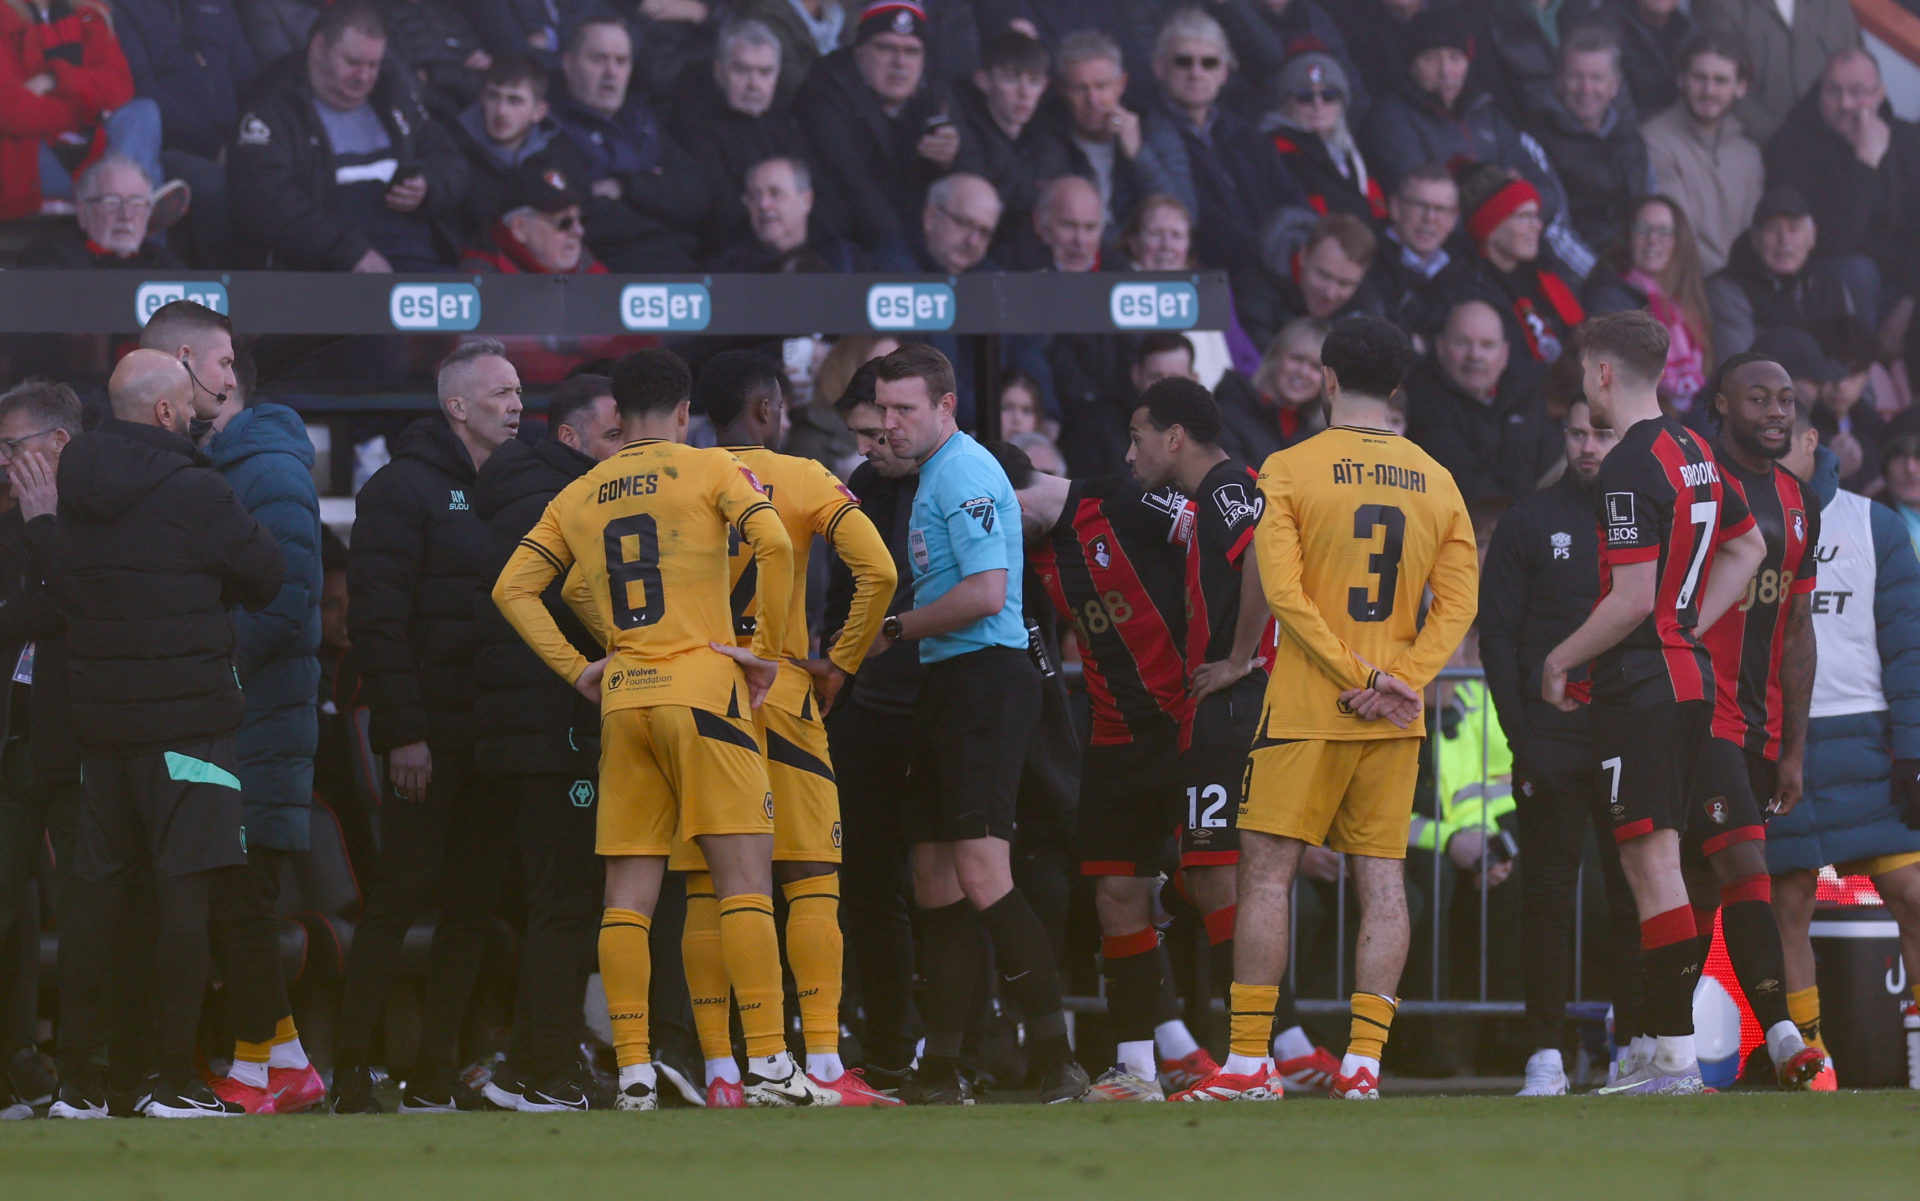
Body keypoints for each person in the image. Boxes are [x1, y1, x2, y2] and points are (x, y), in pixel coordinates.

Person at [494, 347, 834, 1111]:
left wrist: (578, 665)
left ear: (617, 414)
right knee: (745, 880)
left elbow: (513, 585)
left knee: (627, 895)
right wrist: (759, 645)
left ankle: (637, 1068)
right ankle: (774, 1065)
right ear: (685, 411)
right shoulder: (710, 467)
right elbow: (775, 541)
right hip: (705, 689)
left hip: (626, 698)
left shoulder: (582, 490)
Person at [1174, 316, 1476, 1101]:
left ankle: (1247, 1062)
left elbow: (1282, 593)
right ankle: (1365, 1064)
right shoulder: (1437, 479)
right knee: (1383, 883)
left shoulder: (1289, 468)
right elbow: (1461, 600)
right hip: (1395, 717)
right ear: (1399, 387)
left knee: (1266, 877)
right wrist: (1403, 678)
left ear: (1331, 379)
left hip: (1311, 706)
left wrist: (1357, 670)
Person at [50, 350, 285, 1119]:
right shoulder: (195, 487)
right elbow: (267, 573)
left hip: (103, 731)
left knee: (97, 900)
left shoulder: (70, 485)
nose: (195, 413)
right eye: (187, 402)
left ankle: (81, 1081)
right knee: (184, 899)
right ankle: (165, 1080)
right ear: (163, 412)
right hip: (188, 726)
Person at [1539, 310, 1768, 1095]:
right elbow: (1750, 544)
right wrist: (1690, 623)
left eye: (1583, 371)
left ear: (1603, 372)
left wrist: (1561, 656)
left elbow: (1634, 598)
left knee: (1652, 867)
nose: (1582, 386)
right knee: (1663, 865)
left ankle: (1670, 1057)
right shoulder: (1693, 448)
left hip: (1643, 686)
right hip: (1688, 678)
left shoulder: (1631, 464)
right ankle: (1663, 1052)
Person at [665, 352, 898, 1108]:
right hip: (785, 688)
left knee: (710, 884)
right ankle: (824, 1065)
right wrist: (842, 661)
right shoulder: (800, 474)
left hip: (699, 693)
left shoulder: (677, 477)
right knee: (809, 876)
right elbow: (879, 572)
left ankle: (726, 1074)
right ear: (765, 410)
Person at [869, 343, 1090, 1104]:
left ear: (945, 406)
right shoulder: (938, 471)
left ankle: (1057, 1057)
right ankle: (942, 1069)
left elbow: (989, 592)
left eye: (904, 409)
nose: (889, 424)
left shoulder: (961, 470)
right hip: (950, 679)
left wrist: (893, 628)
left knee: (981, 869)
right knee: (932, 876)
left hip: (984, 681)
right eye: (883, 409)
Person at [1123, 376, 1341, 1092]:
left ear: (1174, 436)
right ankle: (1281, 1045)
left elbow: (1261, 563)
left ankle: (1266, 1050)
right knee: (1214, 872)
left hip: (1234, 705)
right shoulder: (1221, 488)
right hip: (1238, 706)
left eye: (1138, 435)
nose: (1132, 453)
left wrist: (1241, 657)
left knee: (1219, 875)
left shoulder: (1225, 487)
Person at [330, 340, 520, 1113]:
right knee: (400, 894)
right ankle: (349, 1066)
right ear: (458, 406)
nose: (516, 404)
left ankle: (438, 1065)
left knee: (475, 901)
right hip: (427, 737)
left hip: (496, 734)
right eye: (501, 393)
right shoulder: (397, 489)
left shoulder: (517, 490)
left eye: (518, 391)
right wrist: (404, 730)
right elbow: (377, 621)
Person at [1010, 447, 1218, 1102]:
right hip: (1114, 737)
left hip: (1188, 721)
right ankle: (1137, 1070)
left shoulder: (1122, 494)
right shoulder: (1026, 555)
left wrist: (1236, 657)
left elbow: (1216, 538)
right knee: (1113, 899)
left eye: (989, 516)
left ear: (1016, 493)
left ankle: (1253, 1058)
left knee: (1215, 874)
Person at [1479, 395, 1648, 1094]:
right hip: (1551, 738)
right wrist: (1523, 735)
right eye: (1577, 432)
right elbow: (1496, 636)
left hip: (1629, 732)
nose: (1588, 445)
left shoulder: (1647, 517)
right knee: (1545, 897)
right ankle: (1543, 1053)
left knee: (1632, 894)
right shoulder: (1531, 519)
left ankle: (1637, 1045)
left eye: (1601, 432)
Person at [467, 374, 621, 1113]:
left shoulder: (521, 489)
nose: (624, 449)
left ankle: (534, 1060)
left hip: (520, 729)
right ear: (571, 438)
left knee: (552, 902)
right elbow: (565, 607)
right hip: (555, 727)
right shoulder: (559, 503)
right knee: (564, 902)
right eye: (613, 435)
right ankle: (541, 1067)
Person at [1683, 353, 1830, 1090]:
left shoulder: (1800, 502)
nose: (1776, 411)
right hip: (1690, 715)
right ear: (1721, 403)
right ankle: (1782, 1039)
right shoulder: (1694, 484)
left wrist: (1794, 747)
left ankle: (1661, 1042)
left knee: (1695, 886)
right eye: (1758, 397)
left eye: (1787, 398)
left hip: (1758, 730)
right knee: (1743, 868)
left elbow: (1799, 629)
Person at [1767, 407, 1920, 1090]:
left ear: (1813, 440)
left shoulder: (1875, 522)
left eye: (1791, 432)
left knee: (1913, 894)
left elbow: (1909, 649)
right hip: (1777, 738)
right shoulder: (1740, 515)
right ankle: (1812, 1067)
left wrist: (1914, 751)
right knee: (1788, 902)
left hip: (1867, 737)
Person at [198, 343, 327, 1115]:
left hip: (257, 725)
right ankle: (280, 1065)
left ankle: (262, 1072)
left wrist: (199, 659)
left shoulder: (269, 471)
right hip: (244, 723)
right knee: (236, 903)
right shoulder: (234, 468)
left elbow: (286, 603)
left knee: (242, 904)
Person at [820, 365, 924, 1090]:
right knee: (872, 883)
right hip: (871, 704)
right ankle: (892, 1050)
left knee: (960, 881)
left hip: (943, 697)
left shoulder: (957, 476)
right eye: (861, 429)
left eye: (882, 423)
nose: (872, 440)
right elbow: (842, 594)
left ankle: (963, 1047)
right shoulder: (863, 482)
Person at [227, 0, 468, 271]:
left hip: (421, 263)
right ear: (319, 48)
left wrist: (428, 186)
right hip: (323, 274)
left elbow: (451, 159)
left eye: (373, 64)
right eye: (353, 62)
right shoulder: (272, 100)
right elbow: (264, 199)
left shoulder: (393, 92)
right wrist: (349, 252)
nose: (364, 76)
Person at [1360, 7, 1591, 280]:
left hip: (1511, 253)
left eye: (1455, 58)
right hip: (1447, 264)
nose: (1446, 71)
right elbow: (1421, 205)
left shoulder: (1485, 111)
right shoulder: (1392, 120)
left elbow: (1546, 192)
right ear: (1412, 63)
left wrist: (1512, 210)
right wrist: (1506, 204)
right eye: (1432, 58)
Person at [0, 381, 85, 1114]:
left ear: (58, 443)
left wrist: (45, 526)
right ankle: (18, 1062)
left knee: (95, 903)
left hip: (85, 743)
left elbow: (81, 603)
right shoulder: (8, 524)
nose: (3, 461)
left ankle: (93, 1069)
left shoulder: (101, 507)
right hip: (14, 745)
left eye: (12, 445)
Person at [1763, 48, 1920, 333]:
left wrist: (1910, 301)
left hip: (1905, 286)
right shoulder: (1789, 147)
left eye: (1857, 91)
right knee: (1859, 272)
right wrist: (1866, 163)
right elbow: (1831, 243)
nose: (1845, 104)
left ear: (1880, 93)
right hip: (1833, 282)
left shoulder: (1908, 140)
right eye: (1833, 92)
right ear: (1819, 91)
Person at [1141, 7, 1303, 271]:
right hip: (1207, 282)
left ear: (1224, 73)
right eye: (1183, 61)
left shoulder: (1250, 136)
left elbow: (1293, 203)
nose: (1196, 73)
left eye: (1209, 62)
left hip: (1277, 275)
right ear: (1159, 67)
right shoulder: (1147, 136)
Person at [794, 2, 959, 259]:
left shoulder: (935, 93)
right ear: (859, 52)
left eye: (911, 52)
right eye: (885, 48)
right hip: (845, 244)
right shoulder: (824, 91)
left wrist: (949, 162)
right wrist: (906, 255)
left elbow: (973, 171)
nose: (900, 63)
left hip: (919, 240)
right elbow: (853, 184)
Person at [550, 16, 707, 272]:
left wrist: (625, 186)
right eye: (598, 59)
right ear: (569, 64)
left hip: (682, 263)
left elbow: (697, 194)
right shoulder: (551, 128)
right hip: (609, 273)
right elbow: (581, 216)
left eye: (621, 61)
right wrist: (660, 198)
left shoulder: (643, 121)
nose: (611, 73)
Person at [0, 0, 168, 225]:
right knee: (150, 178)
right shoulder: (5, 15)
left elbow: (119, 87)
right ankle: (126, 218)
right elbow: (11, 111)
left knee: (144, 112)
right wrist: (82, 114)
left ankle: (116, 206)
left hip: (90, 140)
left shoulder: (89, 14)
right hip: (30, 154)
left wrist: (55, 78)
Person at [114, 0, 257, 264]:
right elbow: (141, 88)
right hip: (165, 147)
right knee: (216, 188)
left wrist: (248, 143)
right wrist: (213, 147)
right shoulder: (126, 8)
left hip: (233, 144)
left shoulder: (220, 7)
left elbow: (250, 81)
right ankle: (218, 285)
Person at [670, 20, 813, 258]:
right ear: (719, 71)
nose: (754, 84)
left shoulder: (788, 120)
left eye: (765, 72)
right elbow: (722, 211)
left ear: (777, 75)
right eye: (741, 70)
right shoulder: (692, 124)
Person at [1404, 298, 1561, 504]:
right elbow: (1467, 486)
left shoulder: (1526, 394)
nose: (1475, 355)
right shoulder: (1422, 401)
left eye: (1487, 345)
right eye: (1462, 343)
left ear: (1504, 354)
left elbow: (1549, 466)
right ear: (1440, 348)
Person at [1643, 31, 1765, 275]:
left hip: (1742, 287)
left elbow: (1757, 236)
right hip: (1686, 285)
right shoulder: (1654, 140)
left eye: (1720, 81)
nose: (1709, 90)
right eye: (1699, 78)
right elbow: (1677, 236)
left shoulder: (1749, 154)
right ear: (1681, 80)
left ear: (1740, 87)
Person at [1583, 195, 1715, 416]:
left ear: (1678, 241)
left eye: (1664, 231)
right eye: (1644, 229)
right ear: (1629, 237)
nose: (1653, 239)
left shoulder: (1687, 300)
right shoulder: (1609, 297)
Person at [1526, 26, 1652, 254]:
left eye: (1597, 78)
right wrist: (1602, 276)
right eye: (1576, 77)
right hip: (1578, 274)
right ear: (1559, 81)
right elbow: (1554, 229)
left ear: (1614, 86)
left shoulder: (1631, 137)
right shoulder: (1538, 139)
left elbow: (1650, 209)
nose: (1586, 89)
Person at [1048, 30, 1177, 237]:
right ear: (1062, 89)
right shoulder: (1049, 138)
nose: (1093, 100)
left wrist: (1139, 154)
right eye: (1080, 89)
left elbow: (1182, 217)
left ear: (1121, 84)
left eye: (1102, 86)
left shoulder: (1155, 130)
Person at [1706, 186, 1861, 357]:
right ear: (1755, 239)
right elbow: (1737, 371)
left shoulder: (1833, 289)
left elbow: (1855, 360)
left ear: (1812, 237)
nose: (1784, 241)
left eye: (1794, 228)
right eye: (1772, 230)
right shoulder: (1729, 291)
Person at [1457, 163, 1586, 363]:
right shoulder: (1473, 288)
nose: (1537, 225)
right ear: (1489, 229)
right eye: (1523, 217)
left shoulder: (1543, 275)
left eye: (1535, 216)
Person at [953, 30, 1068, 253]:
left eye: (1034, 81)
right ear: (983, 81)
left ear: (1044, 86)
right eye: (1011, 79)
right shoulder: (963, 142)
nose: (1024, 93)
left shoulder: (1050, 148)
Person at [1693, 0, 1859, 143]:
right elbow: (1720, 89)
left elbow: (1860, 77)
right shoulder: (1719, 5)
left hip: (1833, 149)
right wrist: (1787, 142)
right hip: (1756, 152)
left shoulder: (1835, 5)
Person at [452, 54, 578, 240]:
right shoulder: (455, 148)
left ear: (539, 112)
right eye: (493, 96)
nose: (501, 111)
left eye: (514, 100)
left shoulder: (559, 152)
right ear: (482, 98)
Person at [1264, 50, 1383, 225]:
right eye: (1304, 96)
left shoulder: (1350, 150)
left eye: (1329, 95)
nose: (1318, 104)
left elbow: (1378, 208)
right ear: (1285, 103)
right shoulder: (1274, 151)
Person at [1368, 164, 1474, 355]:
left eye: (1441, 209)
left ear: (1453, 218)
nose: (1430, 218)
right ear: (1396, 207)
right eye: (1420, 206)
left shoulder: (1467, 267)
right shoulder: (1368, 259)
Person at [1238, 212, 1378, 352]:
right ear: (1303, 256)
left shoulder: (1366, 314)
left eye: (1345, 284)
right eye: (1323, 275)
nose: (1330, 294)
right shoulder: (1258, 281)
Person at [20, 152, 184, 270]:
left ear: (149, 213)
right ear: (84, 213)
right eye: (112, 202)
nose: (126, 215)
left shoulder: (167, 268)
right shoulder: (49, 261)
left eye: (137, 203)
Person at [713, 155, 861, 273]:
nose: (763, 205)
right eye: (754, 196)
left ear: (807, 201)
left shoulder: (845, 260)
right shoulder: (728, 270)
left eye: (776, 194)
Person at [1215, 316, 1328, 466]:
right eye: (1297, 358)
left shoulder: (1320, 438)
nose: (1303, 372)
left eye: (1316, 367)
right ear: (1275, 357)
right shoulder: (1227, 412)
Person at [459, 157, 601, 274]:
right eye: (564, 222)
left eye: (581, 220)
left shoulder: (585, 265)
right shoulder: (480, 284)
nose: (579, 232)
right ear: (519, 229)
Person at [1031, 175, 1104, 273]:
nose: (1080, 241)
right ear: (1040, 224)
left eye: (1090, 227)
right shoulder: (1012, 272)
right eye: (1069, 226)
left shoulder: (1119, 272)